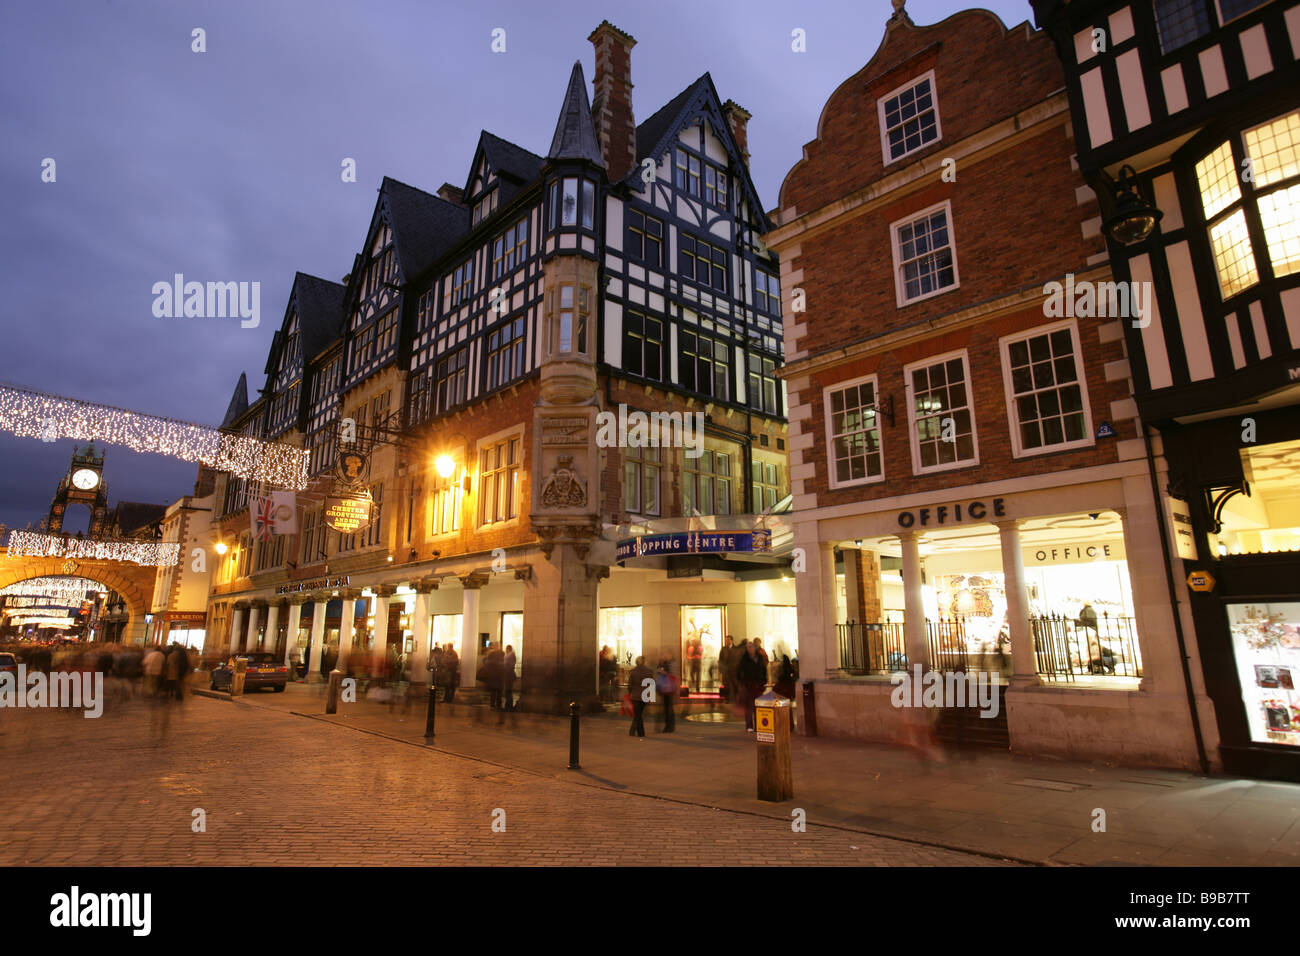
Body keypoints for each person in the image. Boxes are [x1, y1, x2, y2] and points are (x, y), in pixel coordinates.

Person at [737, 640, 766, 732]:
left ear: (755, 648)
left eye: (751, 647)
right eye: (748, 648)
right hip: (748, 684)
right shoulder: (744, 659)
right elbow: (739, 671)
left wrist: (764, 681)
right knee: (749, 706)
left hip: (758, 685)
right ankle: (749, 726)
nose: (750, 649)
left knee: (758, 705)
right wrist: (742, 682)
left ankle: (758, 725)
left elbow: (764, 670)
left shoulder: (760, 658)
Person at [628, 655, 653, 738]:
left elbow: (630, 686)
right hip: (645, 696)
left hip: (635, 696)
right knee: (638, 714)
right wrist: (651, 697)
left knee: (638, 714)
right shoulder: (649, 671)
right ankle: (632, 731)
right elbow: (651, 684)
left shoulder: (633, 672)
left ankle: (641, 733)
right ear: (644, 662)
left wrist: (630, 693)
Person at [656, 654, 678, 732]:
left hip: (667, 690)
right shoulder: (664, 665)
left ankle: (669, 726)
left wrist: (662, 672)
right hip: (666, 690)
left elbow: (669, 675)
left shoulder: (668, 665)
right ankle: (669, 726)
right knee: (668, 708)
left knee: (668, 708)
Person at [502, 645, 517, 711]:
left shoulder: (510, 656)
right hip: (508, 674)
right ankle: (508, 704)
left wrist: (505, 665)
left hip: (509, 674)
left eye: (507, 649)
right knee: (508, 690)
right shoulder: (509, 655)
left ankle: (509, 705)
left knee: (508, 690)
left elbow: (510, 665)